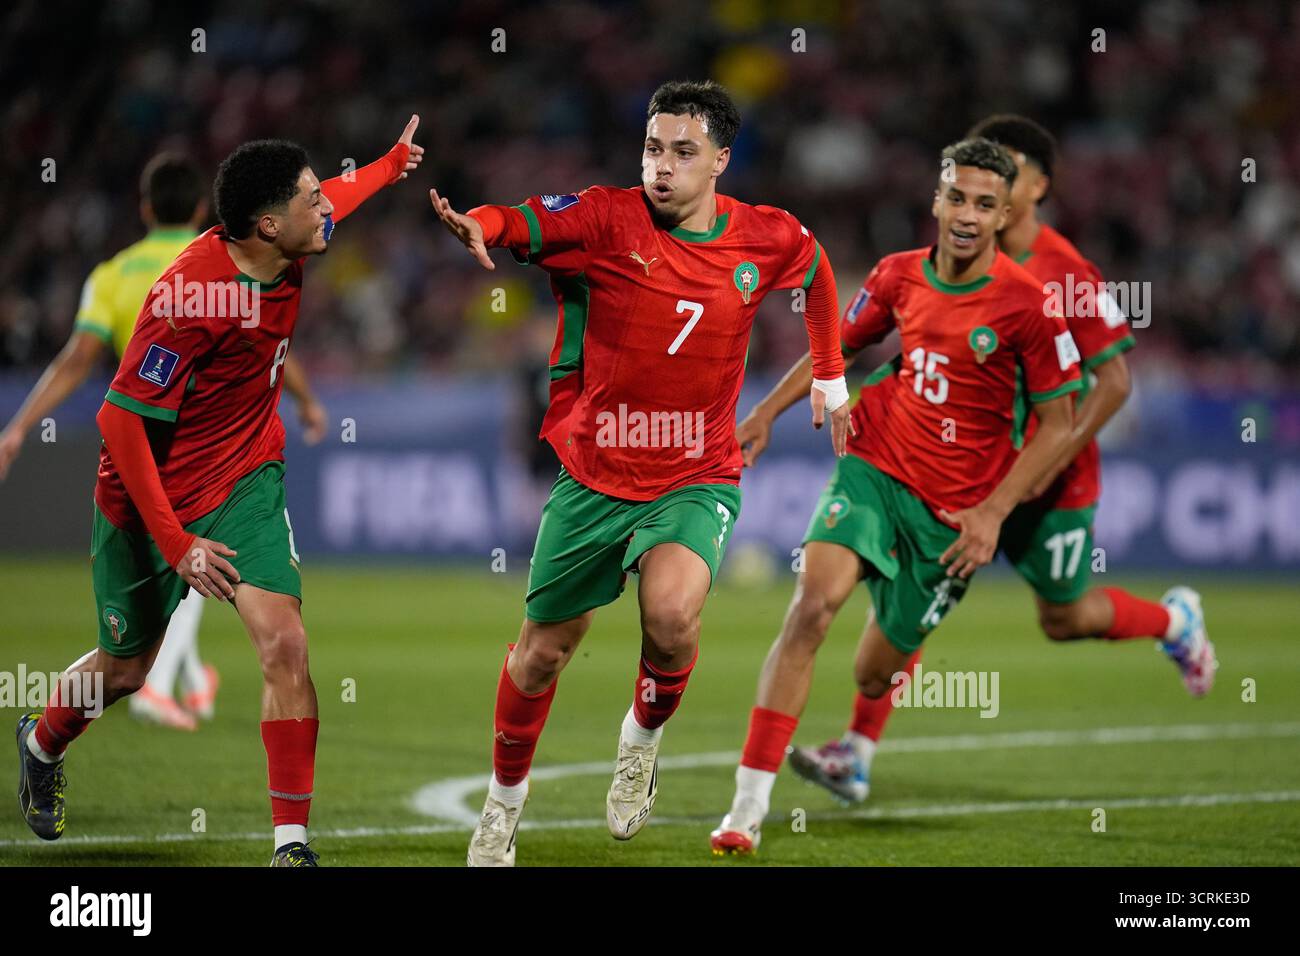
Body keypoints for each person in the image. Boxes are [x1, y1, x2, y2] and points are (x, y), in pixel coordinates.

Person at [430, 80, 851, 866]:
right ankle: (503, 804)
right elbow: (523, 219)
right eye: (654, 148)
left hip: (697, 472)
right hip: (594, 474)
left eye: (683, 152)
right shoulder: (604, 218)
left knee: (672, 617)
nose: (662, 166)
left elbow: (818, 269)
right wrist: (477, 224)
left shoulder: (761, 236)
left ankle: (640, 738)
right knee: (541, 653)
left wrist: (829, 375)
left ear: (721, 160)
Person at [14, 117, 423, 866]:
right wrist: (174, 544)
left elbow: (339, 191)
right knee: (128, 670)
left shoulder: (285, 239)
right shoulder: (188, 301)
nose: (325, 207)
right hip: (149, 500)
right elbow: (120, 420)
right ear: (269, 225)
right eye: (310, 201)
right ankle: (40, 743)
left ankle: (290, 846)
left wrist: (393, 165)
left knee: (286, 643)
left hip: (244, 481)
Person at [788, 116, 1217, 808]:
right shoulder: (948, 261)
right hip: (963, 471)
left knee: (1065, 619)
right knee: (920, 587)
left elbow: (1113, 384)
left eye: (1012, 174)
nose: (994, 188)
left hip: (1046, 482)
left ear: (1039, 186)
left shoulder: (1067, 274)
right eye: (979, 184)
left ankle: (1174, 622)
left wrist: (1048, 468)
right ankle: (857, 751)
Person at [710, 137, 1081, 855]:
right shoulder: (896, 275)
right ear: (936, 199)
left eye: (983, 203)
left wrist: (994, 514)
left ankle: (853, 746)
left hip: (955, 514)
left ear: (1005, 215)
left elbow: (1061, 425)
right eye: (955, 197)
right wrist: (765, 412)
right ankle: (745, 809)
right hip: (875, 461)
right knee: (812, 606)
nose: (965, 214)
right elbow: (837, 350)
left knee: (873, 674)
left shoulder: (1029, 307)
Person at [0, 154, 329, 732]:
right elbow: (258, 349)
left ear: (146, 209)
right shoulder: (220, 262)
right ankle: (75, 722)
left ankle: (176, 686)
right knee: (127, 666)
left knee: (250, 617)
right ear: (204, 211)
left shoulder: (113, 275)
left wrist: (21, 425)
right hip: (152, 470)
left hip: (182, 464)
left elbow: (78, 360)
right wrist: (303, 400)